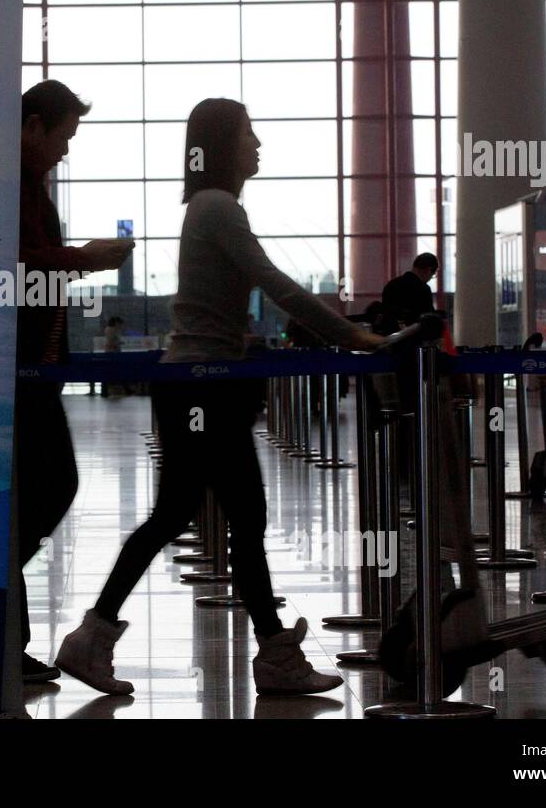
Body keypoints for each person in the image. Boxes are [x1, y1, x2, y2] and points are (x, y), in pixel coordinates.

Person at [55, 98, 383, 696]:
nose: (258, 145)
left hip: (199, 385)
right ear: (222, 144)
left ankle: (97, 638)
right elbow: (276, 283)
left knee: (196, 515)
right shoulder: (216, 207)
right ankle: (270, 657)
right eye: (248, 135)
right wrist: (355, 335)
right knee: (233, 517)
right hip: (201, 386)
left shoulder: (211, 207)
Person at [16, 80, 135, 683]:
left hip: (35, 369)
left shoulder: (31, 189)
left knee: (37, 492)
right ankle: (3, 628)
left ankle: (9, 639)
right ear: (33, 126)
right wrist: (86, 257)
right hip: (17, 373)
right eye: (61, 137)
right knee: (50, 485)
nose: (64, 151)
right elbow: (18, 264)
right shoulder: (13, 190)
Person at [377, 252, 439, 335]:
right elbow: (428, 319)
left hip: (391, 336)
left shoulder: (391, 284)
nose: (430, 278)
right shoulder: (423, 289)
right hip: (413, 338)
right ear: (428, 270)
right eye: (432, 275)